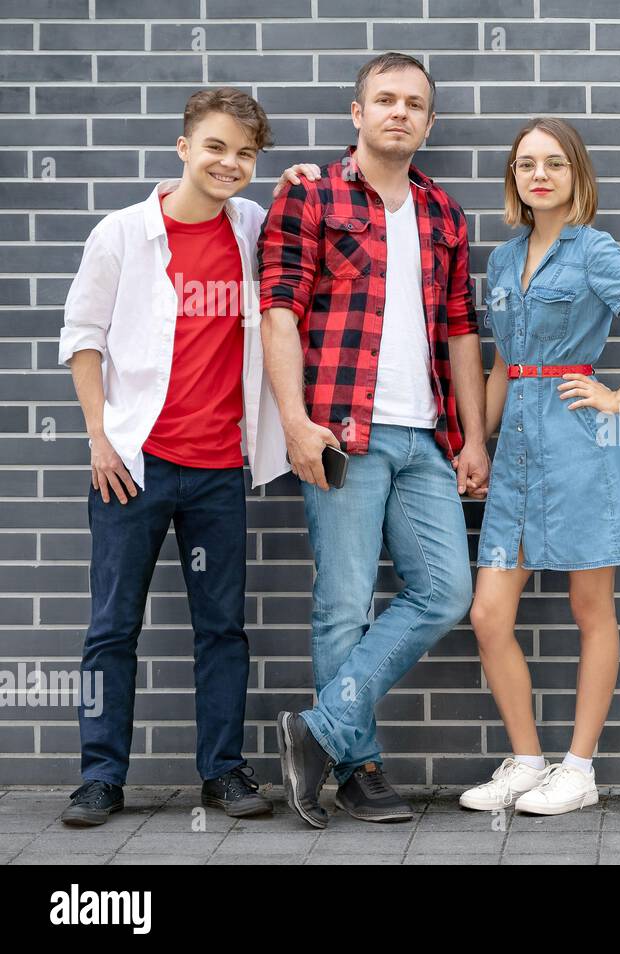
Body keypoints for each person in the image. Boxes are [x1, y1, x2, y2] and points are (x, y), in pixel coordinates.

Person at [56, 87, 307, 826]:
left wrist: (296, 186)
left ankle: (224, 774)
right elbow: (83, 336)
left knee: (222, 628)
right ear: (184, 147)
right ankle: (99, 777)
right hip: (132, 464)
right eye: (216, 147)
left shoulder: (254, 226)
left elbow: (300, 230)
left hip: (217, 470)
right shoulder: (124, 234)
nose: (230, 163)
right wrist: (100, 437)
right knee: (111, 627)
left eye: (246, 154)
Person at [258, 52, 488, 828]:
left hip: (425, 436)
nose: (400, 112)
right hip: (341, 433)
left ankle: (318, 730)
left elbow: (461, 332)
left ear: (428, 122)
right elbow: (279, 310)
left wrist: (473, 438)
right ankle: (358, 770)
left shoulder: (444, 214)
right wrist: (294, 421)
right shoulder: (310, 196)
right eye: (384, 99)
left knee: (447, 593)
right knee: (343, 606)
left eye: (414, 103)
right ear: (356, 113)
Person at [459, 117, 620, 817]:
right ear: (515, 179)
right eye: (527, 163)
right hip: (517, 458)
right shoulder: (502, 262)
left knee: (590, 608)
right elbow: (502, 364)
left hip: (579, 449)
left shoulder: (594, 250)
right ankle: (528, 761)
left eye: (554, 164)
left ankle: (580, 768)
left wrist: (618, 397)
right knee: (487, 614)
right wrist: (478, 442)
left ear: (575, 176)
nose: (540, 174)